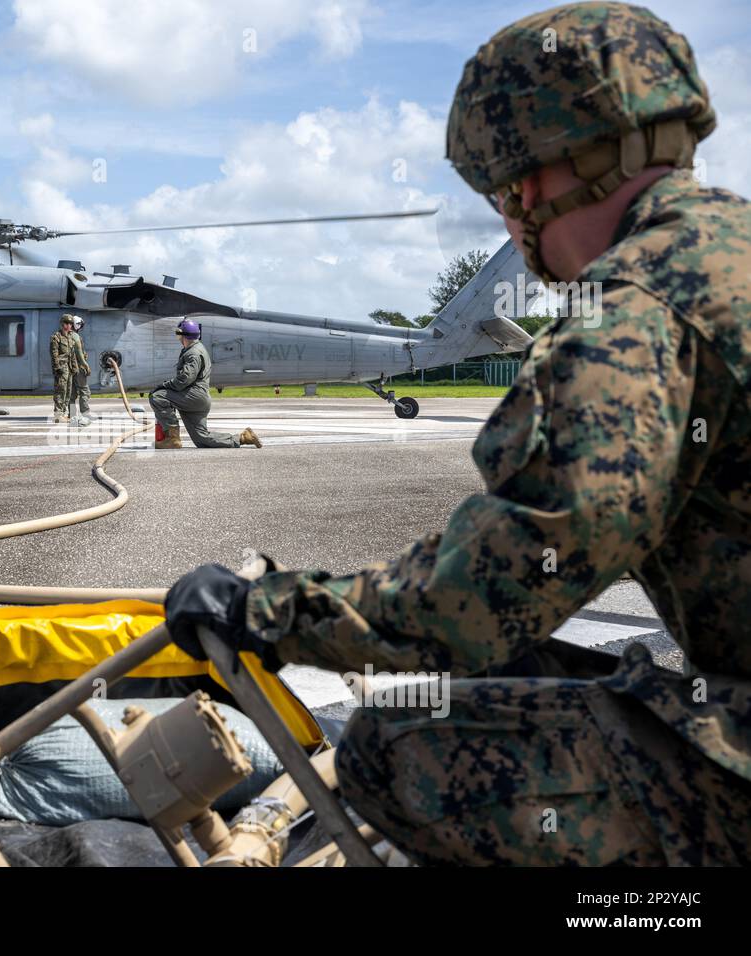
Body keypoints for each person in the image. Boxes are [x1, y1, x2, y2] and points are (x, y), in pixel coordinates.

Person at [164, 1, 751, 865]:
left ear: (532, 178)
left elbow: (494, 584)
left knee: (398, 743)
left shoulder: (635, 316)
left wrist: (269, 609)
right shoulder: (725, 253)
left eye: (501, 189)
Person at [149, 318, 261, 449]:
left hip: (193, 397)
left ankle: (172, 438)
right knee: (202, 439)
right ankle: (243, 438)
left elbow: (184, 379)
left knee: (158, 396)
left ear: (182, 335)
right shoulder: (196, 348)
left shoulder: (193, 353)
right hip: (198, 398)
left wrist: (163, 386)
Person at [49, 314, 75, 424]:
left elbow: (72, 354)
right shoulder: (56, 337)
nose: (69, 325)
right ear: (62, 324)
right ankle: (58, 414)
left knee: (68, 391)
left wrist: (74, 367)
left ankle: (64, 413)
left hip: (68, 367)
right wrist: (57, 367)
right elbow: (54, 354)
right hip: (61, 367)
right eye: (67, 323)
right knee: (60, 390)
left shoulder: (70, 337)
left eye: (70, 324)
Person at [69, 314, 92, 420]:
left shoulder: (66, 336)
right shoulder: (75, 336)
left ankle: (72, 415)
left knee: (72, 393)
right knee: (84, 390)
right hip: (78, 367)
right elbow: (79, 353)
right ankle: (85, 414)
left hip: (69, 368)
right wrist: (85, 365)